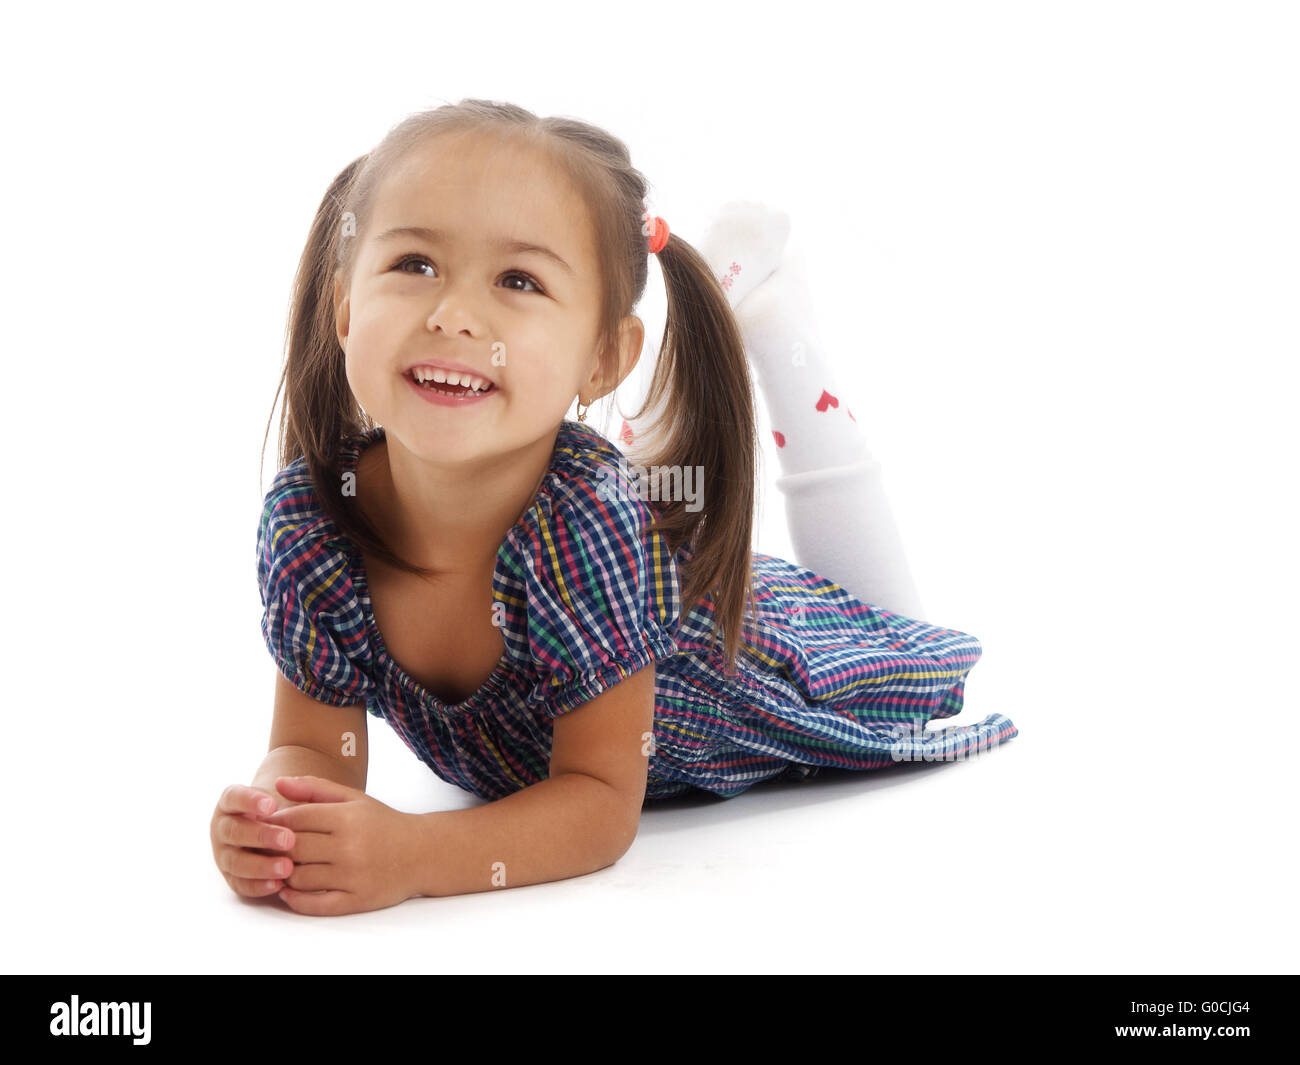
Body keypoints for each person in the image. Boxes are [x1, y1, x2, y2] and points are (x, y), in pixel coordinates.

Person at [211, 99, 1018, 914]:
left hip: (764, 659)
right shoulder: (312, 521)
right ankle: (704, 355)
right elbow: (310, 747)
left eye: (518, 280)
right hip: (630, 538)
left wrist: (416, 854)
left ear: (603, 357)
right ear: (345, 309)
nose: (452, 314)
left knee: (904, 631)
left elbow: (598, 800)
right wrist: (276, 820)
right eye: (415, 263)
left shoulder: (587, 520)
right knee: (623, 483)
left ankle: (779, 338)